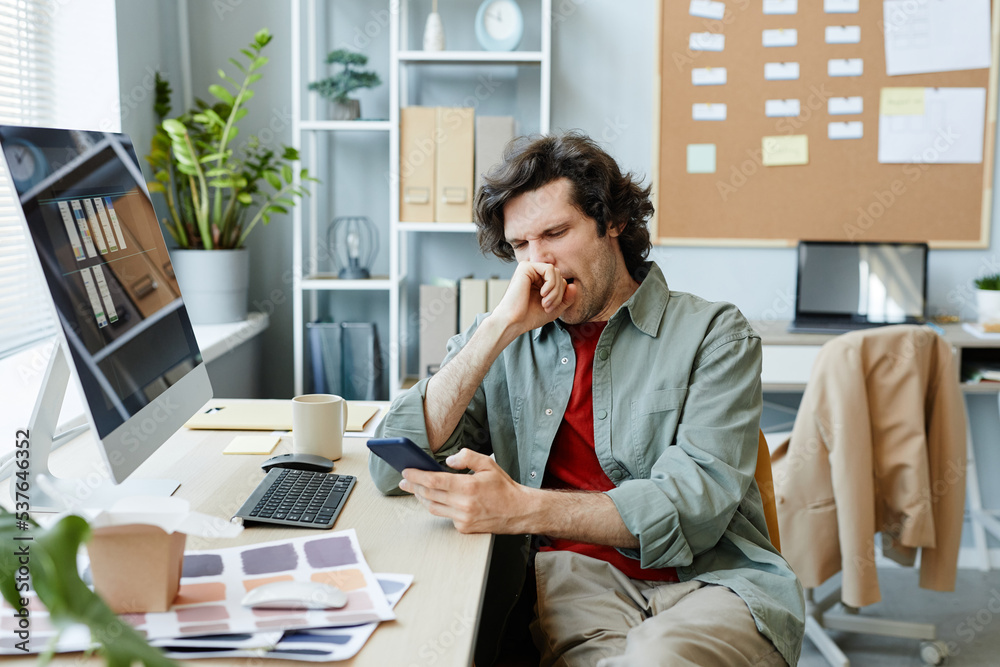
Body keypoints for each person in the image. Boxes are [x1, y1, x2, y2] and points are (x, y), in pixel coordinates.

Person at [369, 131, 804, 667]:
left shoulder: (716, 334)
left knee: (660, 657)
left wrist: (523, 509)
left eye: (555, 233)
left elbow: (695, 507)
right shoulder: (506, 338)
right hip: (576, 581)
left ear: (612, 222)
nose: (537, 262)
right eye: (521, 245)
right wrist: (496, 329)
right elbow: (390, 465)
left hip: (715, 579)